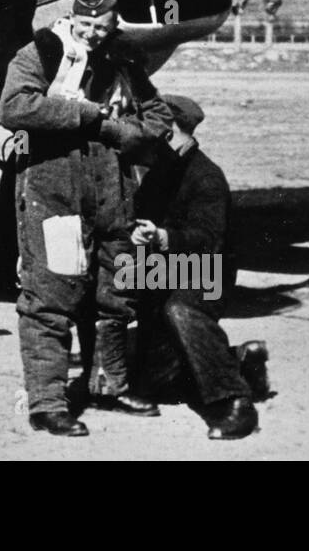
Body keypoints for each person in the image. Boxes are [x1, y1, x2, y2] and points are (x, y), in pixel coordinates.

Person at [0, 0, 172, 436]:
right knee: (51, 299)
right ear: (73, 18)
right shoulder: (43, 50)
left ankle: (108, 385)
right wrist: (87, 116)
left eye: (103, 26)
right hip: (56, 190)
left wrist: (120, 133)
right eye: (86, 25)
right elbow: (15, 107)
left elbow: (158, 117)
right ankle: (48, 403)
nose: (94, 34)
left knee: (114, 298)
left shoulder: (124, 58)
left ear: (115, 23)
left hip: (112, 194)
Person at [130, 94, 270, 440]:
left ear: (172, 131)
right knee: (155, 385)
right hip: (168, 269)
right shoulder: (162, 172)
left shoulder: (206, 177)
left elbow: (209, 240)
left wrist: (162, 237)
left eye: (157, 129)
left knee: (180, 310)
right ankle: (240, 363)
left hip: (209, 272)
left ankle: (235, 402)